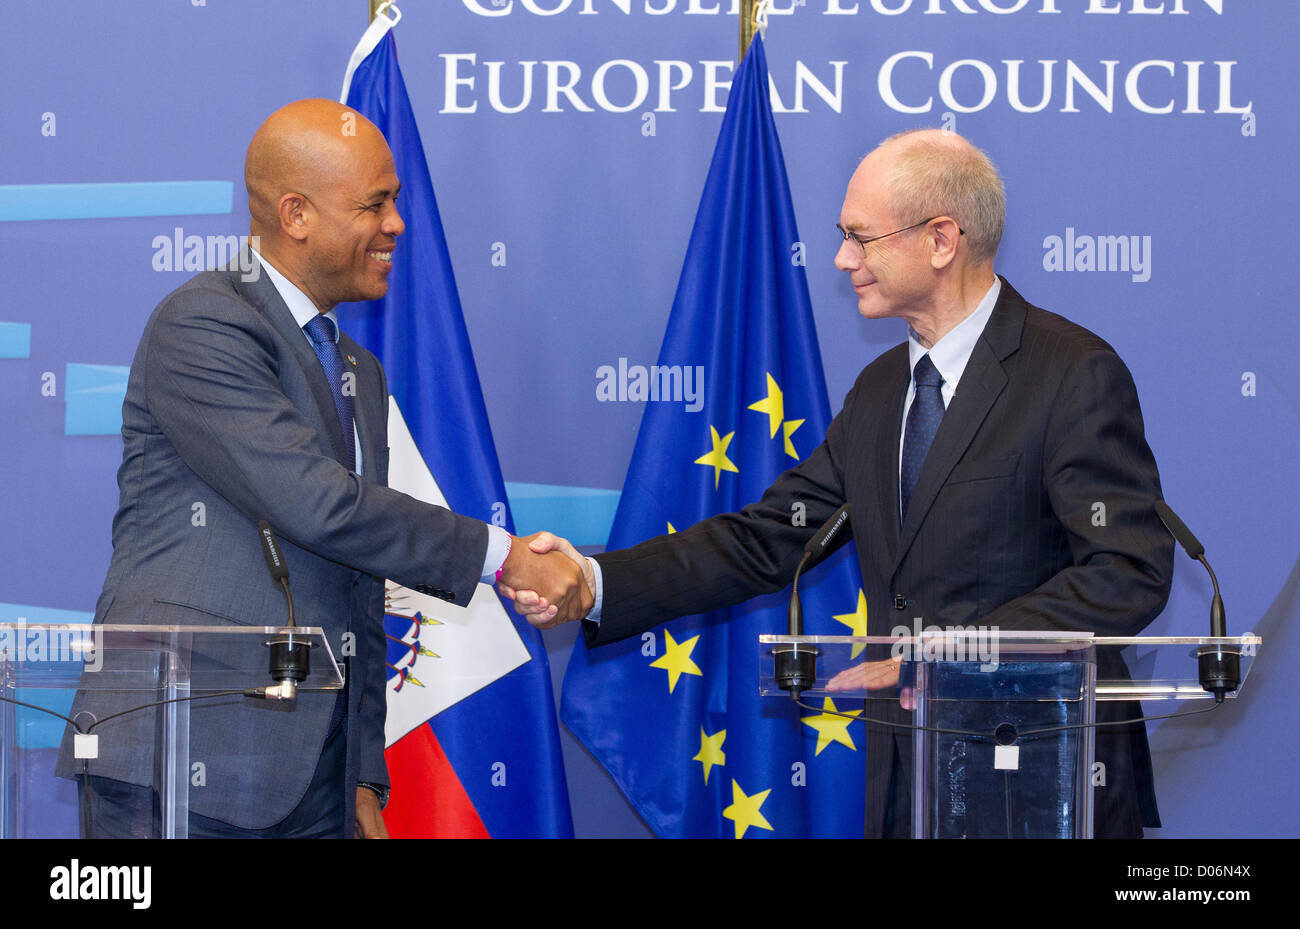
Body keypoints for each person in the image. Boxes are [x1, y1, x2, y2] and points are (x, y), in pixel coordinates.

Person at [508, 129, 1174, 838]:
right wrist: (594, 579)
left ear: (941, 238)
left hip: (1045, 776)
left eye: (860, 237)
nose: (841, 259)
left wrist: (947, 655)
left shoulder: (1071, 372)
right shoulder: (883, 389)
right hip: (908, 782)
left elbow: (1128, 571)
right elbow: (767, 536)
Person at [62, 98, 588, 838]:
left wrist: (363, 773)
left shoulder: (355, 369)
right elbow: (320, 505)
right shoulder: (204, 324)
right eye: (376, 204)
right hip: (181, 757)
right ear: (296, 213)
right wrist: (503, 558)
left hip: (314, 783)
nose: (397, 224)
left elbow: (359, 578)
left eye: (396, 201)